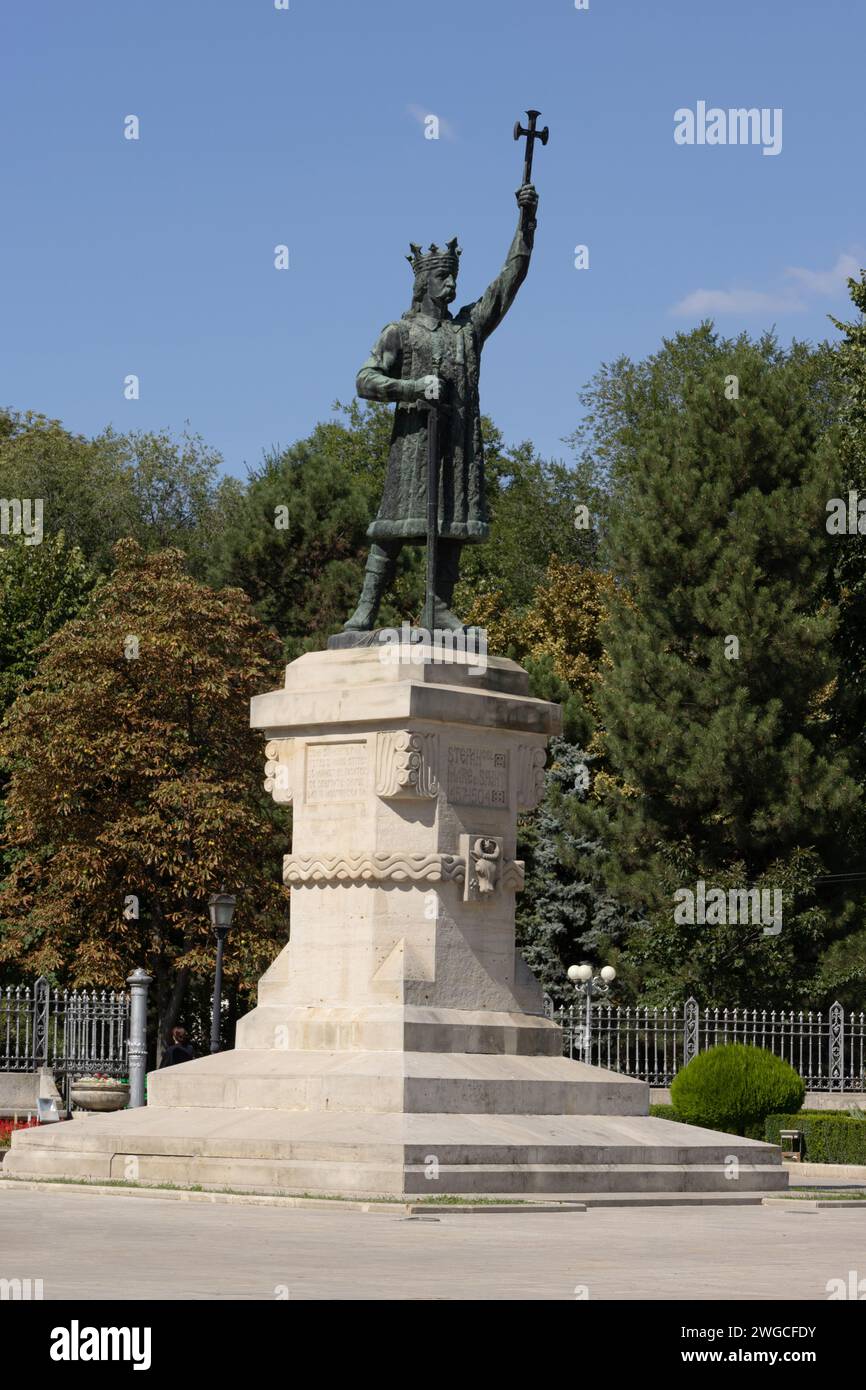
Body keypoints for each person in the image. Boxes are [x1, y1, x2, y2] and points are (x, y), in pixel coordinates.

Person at [343, 181, 539, 633]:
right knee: (391, 525)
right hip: (413, 446)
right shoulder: (400, 331)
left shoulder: (467, 329)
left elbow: (511, 278)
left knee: (452, 522)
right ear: (423, 282)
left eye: (454, 276)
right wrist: (412, 387)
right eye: (442, 277)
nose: (451, 283)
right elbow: (364, 380)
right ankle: (365, 611)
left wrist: (526, 223)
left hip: (455, 444)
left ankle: (437, 606)